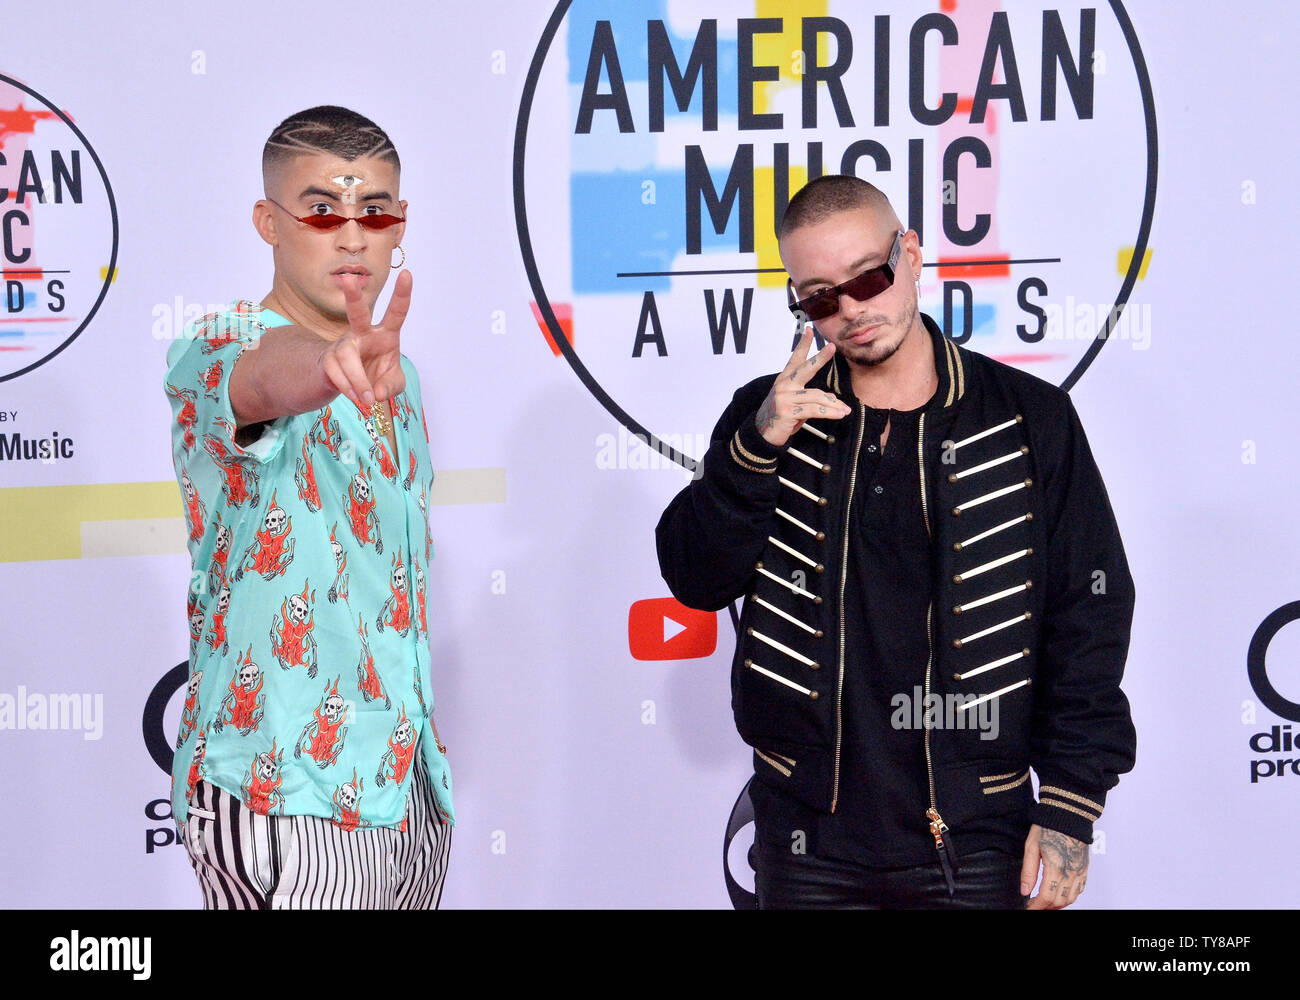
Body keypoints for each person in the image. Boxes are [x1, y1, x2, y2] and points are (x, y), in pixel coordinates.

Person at [655, 175, 1135, 909]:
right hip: (806, 839)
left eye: (868, 278)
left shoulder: (1028, 419)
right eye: (818, 297)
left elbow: (1088, 614)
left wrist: (1071, 803)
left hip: (976, 836)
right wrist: (754, 450)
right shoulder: (767, 416)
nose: (850, 311)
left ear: (910, 256)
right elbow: (695, 575)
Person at [164, 105, 453, 909]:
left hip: (404, 790)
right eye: (323, 210)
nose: (352, 236)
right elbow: (266, 375)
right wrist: (327, 366)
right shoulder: (216, 344)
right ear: (270, 222)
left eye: (375, 211)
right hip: (281, 788)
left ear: (401, 226)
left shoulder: (403, 377)